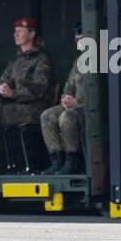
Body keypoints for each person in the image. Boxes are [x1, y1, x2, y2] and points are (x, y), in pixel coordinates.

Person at [0, 17, 53, 174]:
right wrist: (1, 87)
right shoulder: (16, 61)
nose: (15, 34)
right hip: (15, 106)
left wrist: (13, 93)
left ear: (32, 34)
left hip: (34, 108)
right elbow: (0, 80)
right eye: (15, 31)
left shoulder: (42, 59)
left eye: (20, 31)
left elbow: (39, 89)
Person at [38, 23, 90, 175]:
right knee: (47, 116)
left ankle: (72, 160)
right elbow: (69, 86)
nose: (78, 42)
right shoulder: (78, 62)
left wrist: (77, 103)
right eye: (76, 39)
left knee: (68, 117)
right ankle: (57, 160)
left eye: (81, 38)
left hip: (91, 108)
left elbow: (102, 93)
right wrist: (66, 99)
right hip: (75, 106)